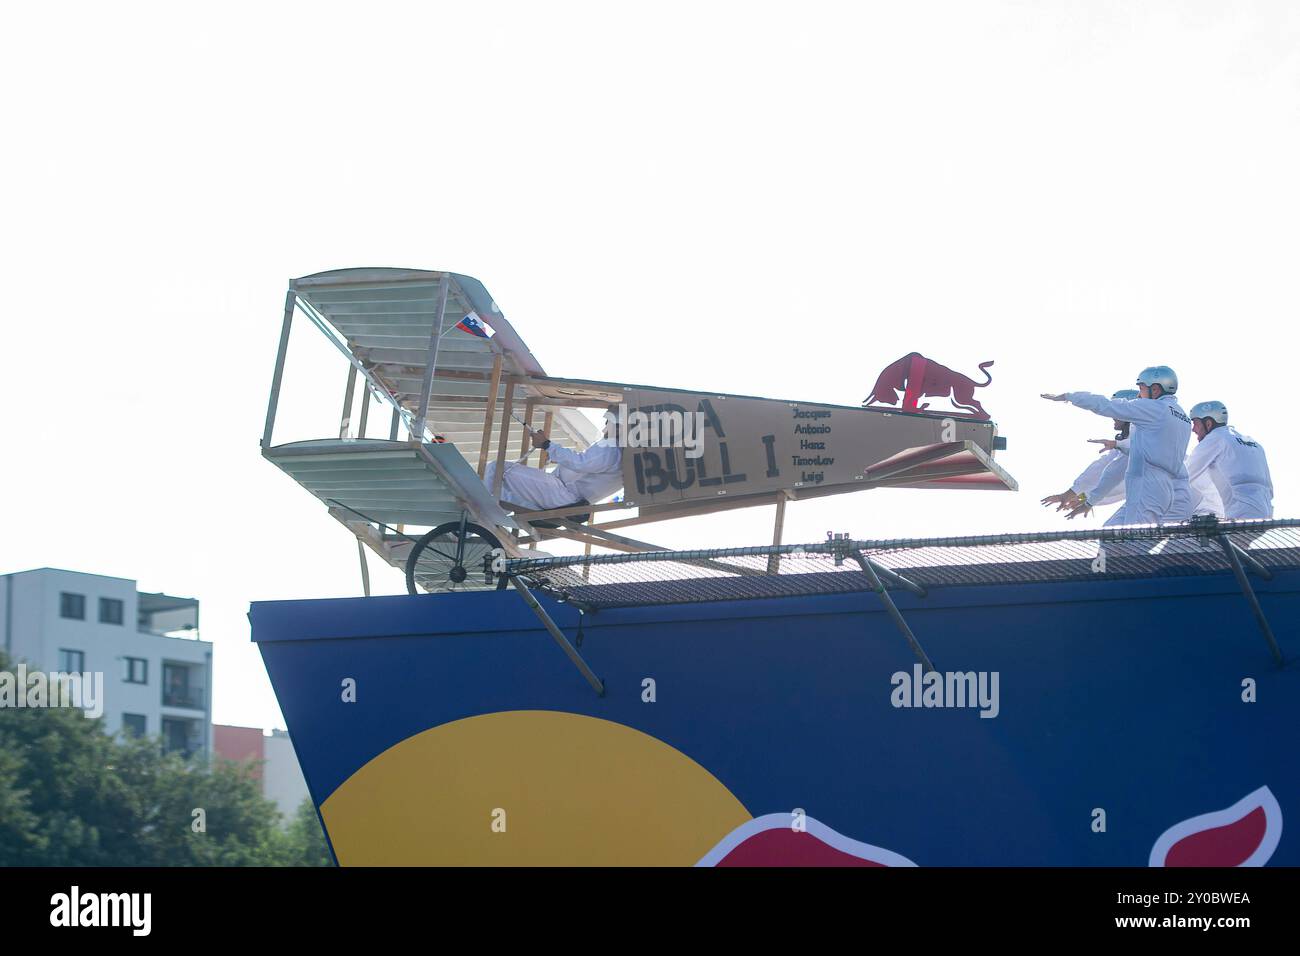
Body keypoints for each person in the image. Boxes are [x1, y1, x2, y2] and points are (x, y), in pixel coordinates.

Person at [1041, 366, 1192, 526]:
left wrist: (1069, 396)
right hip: (1162, 489)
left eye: (1141, 389)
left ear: (1155, 389)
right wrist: (1089, 502)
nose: (1139, 395)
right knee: (1110, 536)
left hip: (1146, 488)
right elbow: (1114, 470)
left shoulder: (1154, 409)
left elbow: (1105, 405)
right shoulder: (1182, 416)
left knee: (1132, 545)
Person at [483, 410, 624, 514]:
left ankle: (479, 515)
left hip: (561, 494)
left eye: (609, 422)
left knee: (496, 468)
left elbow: (581, 462)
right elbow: (584, 466)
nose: (605, 426)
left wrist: (547, 445)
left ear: (618, 427)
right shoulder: (619, 453)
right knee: (506, 494)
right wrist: (557, 456)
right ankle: (481, 523)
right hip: (564, 497)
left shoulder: (611, 449)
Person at [1040, 389, 1136, 517]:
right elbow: (1105, 469)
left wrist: (1083, 496)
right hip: (1158, 500)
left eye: (1116, 411)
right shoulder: (1127, 442)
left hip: (1164, 503)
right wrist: (1081, 495)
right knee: (1111, 532)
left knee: (1115, 532)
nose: (1111, 415)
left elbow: (1117, 479)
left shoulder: (1136, 442)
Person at [1184, 401, 1274, 520]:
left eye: (1195, 423)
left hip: (1239, 517)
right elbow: (1270, 489)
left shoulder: (1215, 438)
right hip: (1266, 516)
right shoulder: (1255, 444)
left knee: (1187, 537)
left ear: (1208, 423)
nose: (1193, 429)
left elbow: (1185, 473)